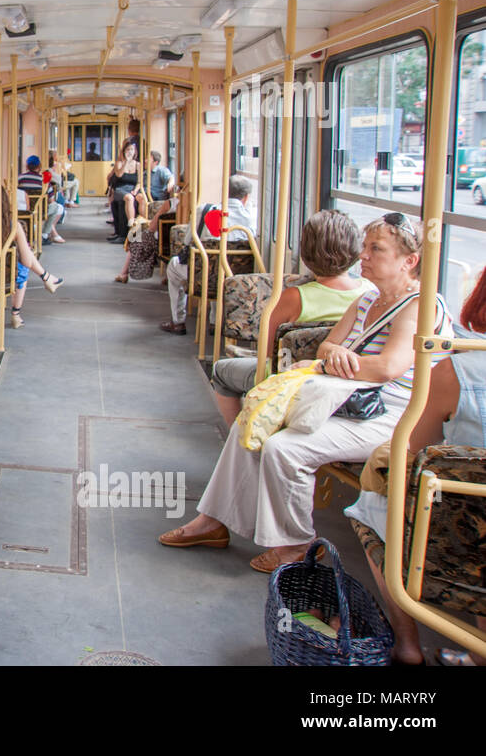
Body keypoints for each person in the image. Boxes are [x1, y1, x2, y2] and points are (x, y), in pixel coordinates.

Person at [158, 214, 451, 573]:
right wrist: (336, 356)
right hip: (350, 399)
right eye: (366, 246)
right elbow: (328, 346)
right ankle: (213, 520)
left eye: (376, 249)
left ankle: (296, 545)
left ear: (410, 261)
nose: (364, 256)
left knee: (285, 448)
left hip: (393, 414)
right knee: (254, 419)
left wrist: (336, 363)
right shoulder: (367, 301)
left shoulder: (420, 306)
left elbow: (389, 367)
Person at [352, 267, 486, 666]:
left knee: (372, 505)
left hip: (460, 539)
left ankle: (408, 646)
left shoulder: (455, 373)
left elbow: (413, 448)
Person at [207, 210, 371, 425]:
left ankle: (239, 436)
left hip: (287, 378)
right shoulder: (369, 293)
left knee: (220, 372)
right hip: (346, 382)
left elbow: (268, 351)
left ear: (305, 252)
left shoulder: (293, 297)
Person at [158, 175, 257, 335]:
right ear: (246, 198)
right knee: (222, 269)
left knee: (175, 268)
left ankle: (178, 321)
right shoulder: (253, 219)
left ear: (224, 193)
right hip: (240, 281)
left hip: (204, 278)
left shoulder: (204, 211)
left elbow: (189, 240)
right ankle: (214, 322)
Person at [0, 181, 62, 329]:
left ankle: (47, 278)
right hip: (6, 278)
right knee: (22, 263)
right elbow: (27, 261)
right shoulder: (14, 226)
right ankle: (16, 314)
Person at [18, 156, 66, 244]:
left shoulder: (20, 178)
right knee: (55, 206)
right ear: (39, 166)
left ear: (27, 166)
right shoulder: (44, 180)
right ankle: (44, 235)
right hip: (40, 211)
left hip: (23, 210)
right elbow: (51, 200)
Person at [107, 141, 140, 243]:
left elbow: (139, 182)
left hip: (132, 189)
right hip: (120, 189)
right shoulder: (119, 163)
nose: (130, 152)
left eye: (132, 150)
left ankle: (129, 229)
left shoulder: (138, 165)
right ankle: (131, 223)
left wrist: (135, 190)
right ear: (124, 151)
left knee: (131, 197)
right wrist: (126, 162)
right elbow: (119, 175)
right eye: (128, 150)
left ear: (135, 152)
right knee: (129, 198)